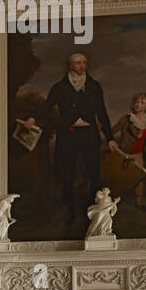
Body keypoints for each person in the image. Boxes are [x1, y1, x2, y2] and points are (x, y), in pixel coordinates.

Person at [22, 52, 118, 225]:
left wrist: (110, 138)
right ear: (69, 65)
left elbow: (101, 113)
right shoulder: (59, 87)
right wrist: (33, 118)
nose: (81, 65)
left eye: (83, 62)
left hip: (90, 137)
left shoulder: (94, 86)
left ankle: (95, 213)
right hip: (68, 136)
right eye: (77, 62)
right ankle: (70, 212)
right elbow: (47, 106)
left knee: (94, 175)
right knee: (68, 176)